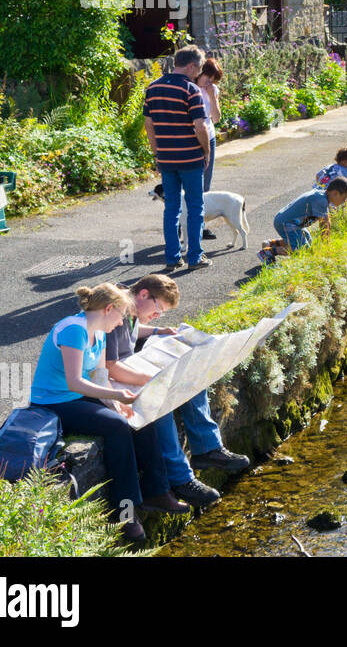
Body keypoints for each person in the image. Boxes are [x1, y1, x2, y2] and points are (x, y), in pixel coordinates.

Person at [28, 283, 186, 543]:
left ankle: (157, 491)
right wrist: (115, 397)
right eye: (121, 315)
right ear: (108, 308)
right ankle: (125, 513)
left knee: (137, 415)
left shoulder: (100, 333)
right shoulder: (73, 330)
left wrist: (117, 404)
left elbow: (100, 376)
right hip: (54, 402)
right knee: (117, 427)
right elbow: (74, 382)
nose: (123, 321)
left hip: (79, 395)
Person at [105, 275, 249, 509]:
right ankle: (182, 479)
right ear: (143, 294)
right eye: (158, 308)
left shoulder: (131, 309)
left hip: (129, 370)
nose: (158, 314)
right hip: (111, 383)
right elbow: (109, 366)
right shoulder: (116, 312)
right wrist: (152, 378)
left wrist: (158, 330)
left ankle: (207, 448)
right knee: (159, 401)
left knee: (189, 374)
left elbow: (134, 329)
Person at [144, 45, 211, 271]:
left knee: (171, 208)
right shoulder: (191, 90)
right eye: (199, 68)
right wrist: (206, 152)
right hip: (190, 158)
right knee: (195, 207)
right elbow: (200, 126)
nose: (199, 73)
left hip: (166, 159)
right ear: (191, 65)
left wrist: (157, 153)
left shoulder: (153, 88)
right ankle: (195, 257)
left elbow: (149, 125)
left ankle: (172, 257)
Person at [270, 177, 347, 255]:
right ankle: (268, 252)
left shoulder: (322, 195)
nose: (344, 201)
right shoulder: (321, 200)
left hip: (291, 222)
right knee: (301, 249)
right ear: (335, 193)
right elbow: (324, 223)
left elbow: (326, 219)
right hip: (287, 223)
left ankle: (271, 244)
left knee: (308, 240)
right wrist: (326, 247)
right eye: (343, 198)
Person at [196, 57, 223, 240]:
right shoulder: (191, 90)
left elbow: (216, 118)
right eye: (208, 77)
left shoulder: (212, 90)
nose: (210, 82)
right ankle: (186, 224)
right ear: (199, 74)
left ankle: (201, 224)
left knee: (205, 182)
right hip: (193, 138)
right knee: (190, 183)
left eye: (213, 79)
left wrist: (212, 96)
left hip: (210, 138)